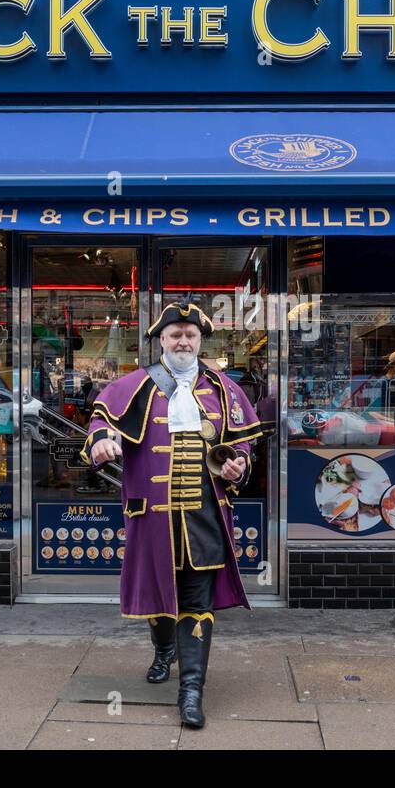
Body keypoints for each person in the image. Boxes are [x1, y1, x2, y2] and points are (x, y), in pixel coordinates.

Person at [82, 302, 262, 729]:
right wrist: (102, 445)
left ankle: (192, 691)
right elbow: (101, 426)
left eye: (191, 335)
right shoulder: (133, 386)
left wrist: (239, 465)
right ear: (160, 340)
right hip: (153, 518)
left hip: (204, 517)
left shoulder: (223, 389)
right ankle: (164, 649)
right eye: (175, 334)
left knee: (197, 603)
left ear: (201, 341)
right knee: (161, 599)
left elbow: (244, 447)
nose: (183, 341)